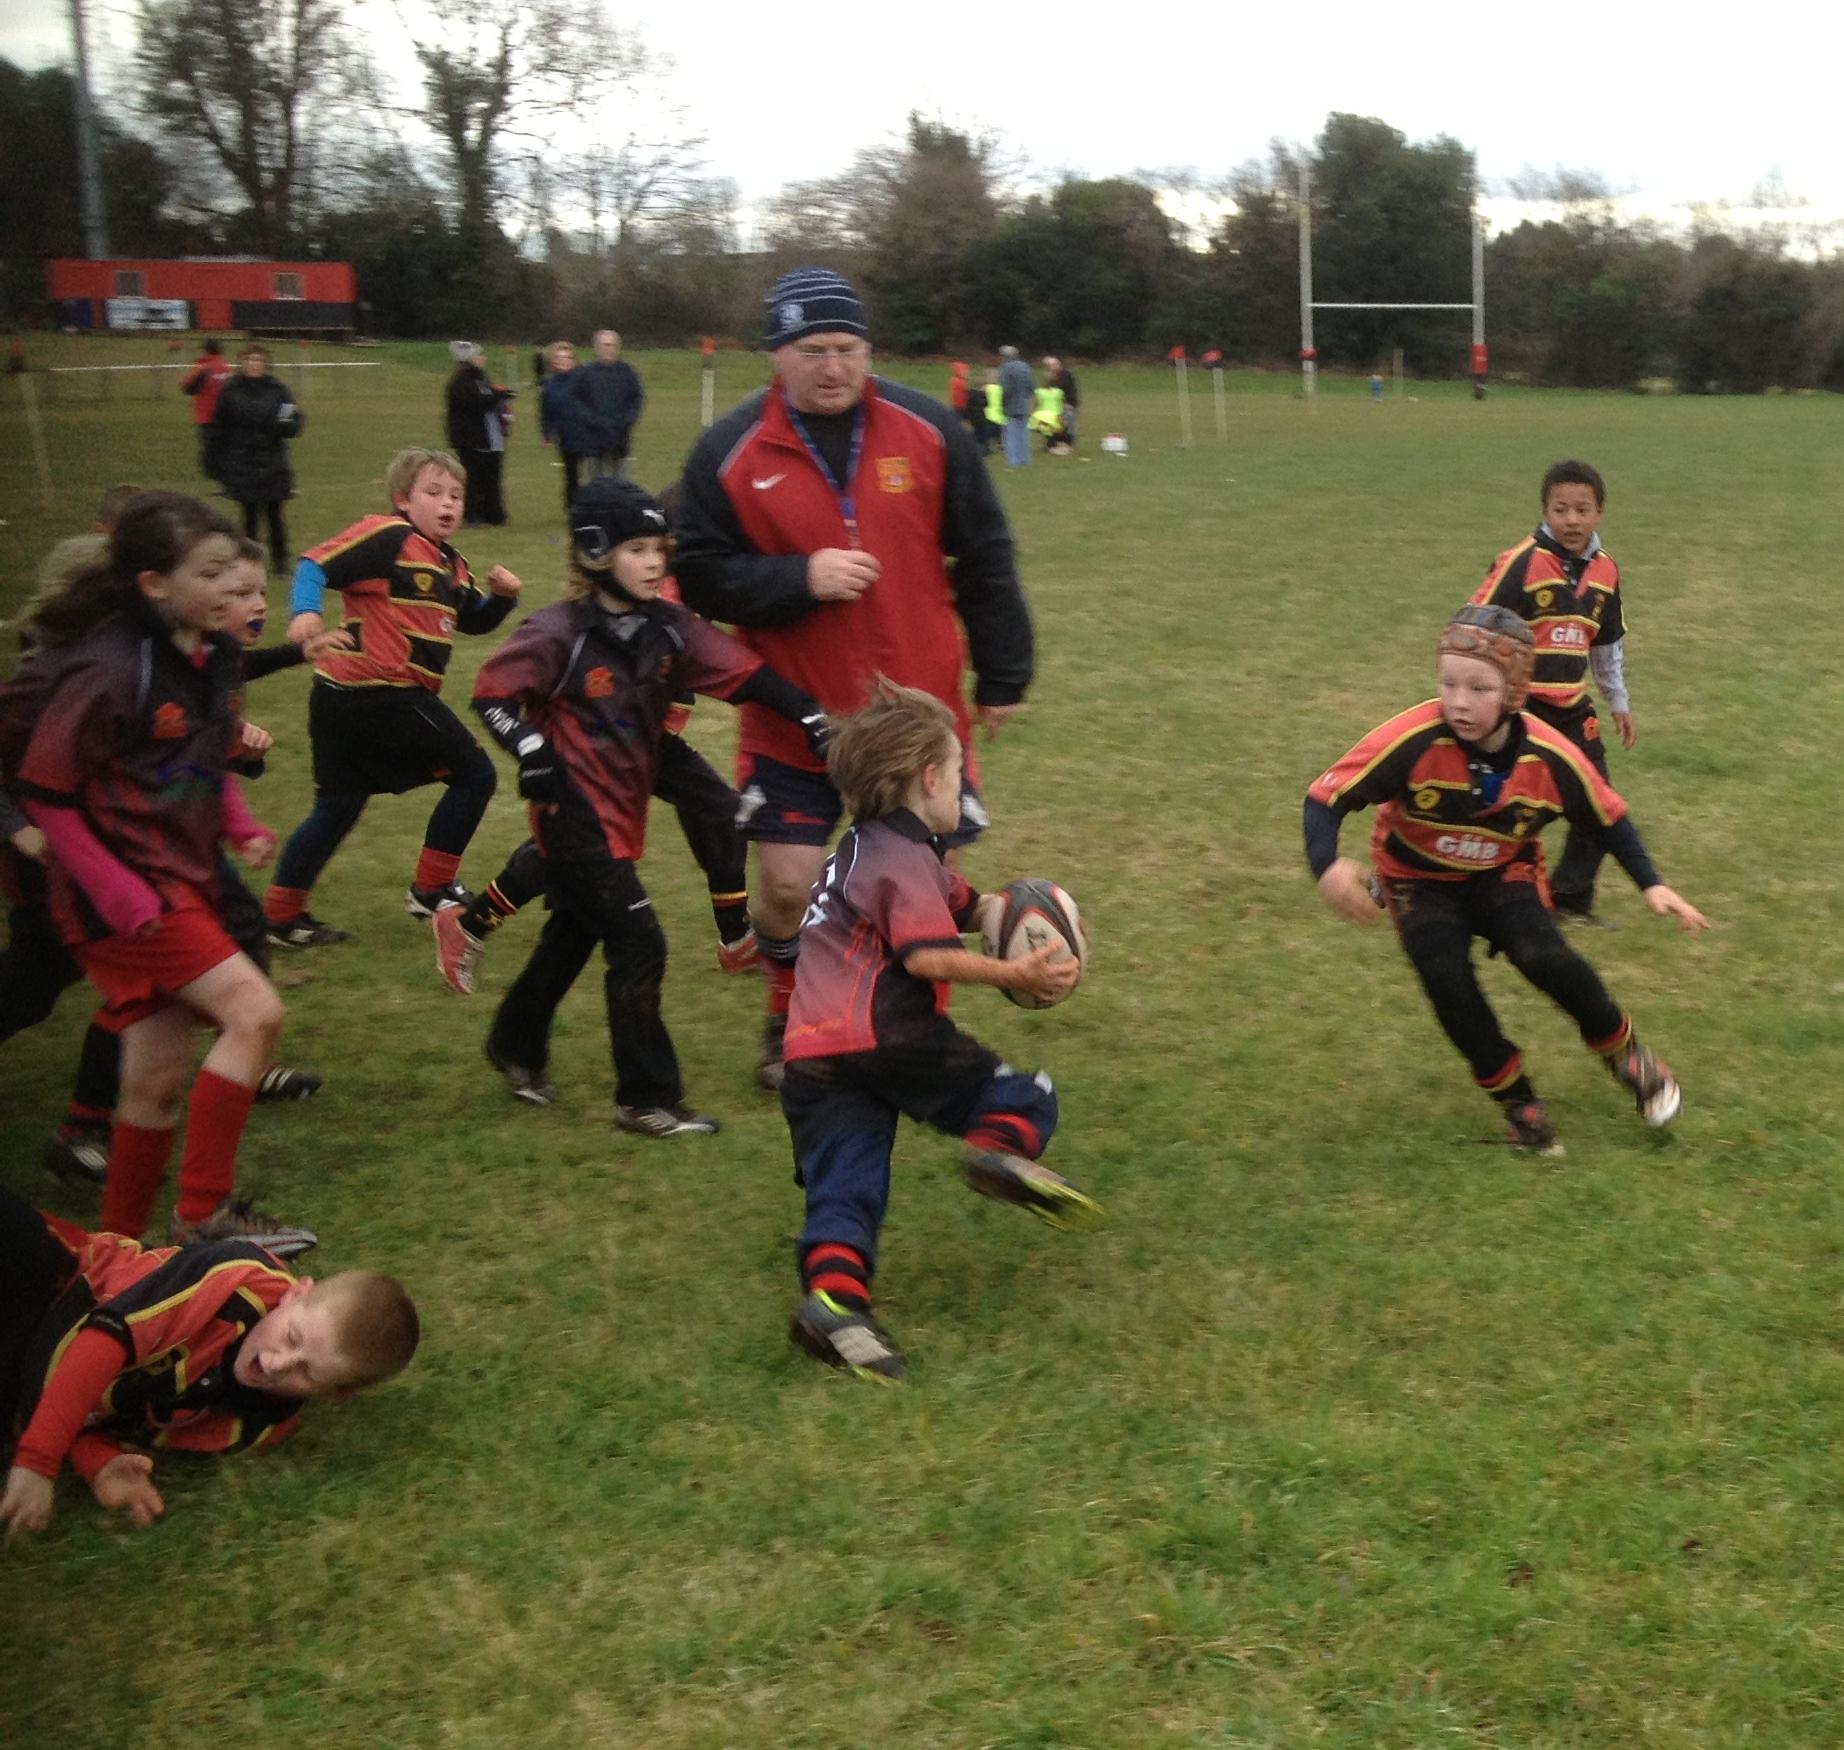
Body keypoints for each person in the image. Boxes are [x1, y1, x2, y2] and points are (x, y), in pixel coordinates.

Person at [672, 266, 1034, 1093]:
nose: (832, 367)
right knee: (788, 889)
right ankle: (787, 1004)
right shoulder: (726, 454)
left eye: (847, 348)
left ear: (868, 349)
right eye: (812, 350)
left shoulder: (928, 429)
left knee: (916, 889)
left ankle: (909, 1033)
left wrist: (1005, 670)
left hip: (916, 723)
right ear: (778, 354)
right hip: (796, 716)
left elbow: (986, 552)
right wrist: (798, 578)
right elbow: (694, 578)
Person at [457, 479, 829, 1133]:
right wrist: (532, 750)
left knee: (572, 934)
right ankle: (646, 1098)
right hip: (571, 815)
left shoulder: (670, 628)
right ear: (595, 552)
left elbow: (744, 675)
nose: (656, 561)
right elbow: (491, 695)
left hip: (621, 814)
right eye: (638, 548)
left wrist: (808, 712)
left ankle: (514, 1045)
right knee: (640, 943)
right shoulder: (557, 632)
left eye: (660, 547)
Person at [8, 492, 313, 1254]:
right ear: (154, 584)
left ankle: (114, 1254)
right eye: (212, 575)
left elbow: (204, 762)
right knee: (254, 1013)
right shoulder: (111, 667)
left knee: (153, 1078)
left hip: (174, 879)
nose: (233, 591)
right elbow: (46, 792)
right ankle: (202, 1216)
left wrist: (238, 826)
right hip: (119, 893)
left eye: (238, 576)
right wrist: (112, 887)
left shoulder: (210, 655)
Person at [780, 681, 1098, 1381]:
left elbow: (964, 903)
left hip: (811, 1053)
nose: (962, 787)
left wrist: (1008, 908)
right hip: (889, 1033)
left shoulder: (859, 853)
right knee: (1023, 1093)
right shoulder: (903, 860)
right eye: (958, 773)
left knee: (846, 1185)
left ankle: (834, 1306)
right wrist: (1015, 974)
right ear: (929, 779)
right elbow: (921, 954)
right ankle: (999, 1151)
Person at [1304, 605, 1707, 1155]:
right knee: (1445, 977)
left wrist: (1652, 884)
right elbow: (1325, 798)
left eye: (1479, 687)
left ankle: (1626, 1055)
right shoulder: (1414, 738)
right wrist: (1326, 866)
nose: (1459, 701)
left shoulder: (1551, 754)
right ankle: (1517, 1101)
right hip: (1415, 878)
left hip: (1503, 871)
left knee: (1545, 955)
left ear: (1516, 692)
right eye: (1448, 682)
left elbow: (1607, 816)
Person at [0, 1186, 417, 1537]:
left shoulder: (258, 1426)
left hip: (22, 1386)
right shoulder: (235, 1277)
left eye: (307, 1372)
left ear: (338, 1394)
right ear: (295, 1293)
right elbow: (102, 1339)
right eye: (292, 1336)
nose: (276, 1364)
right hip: (56, 1281)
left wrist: (99, 1462)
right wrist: (39, 1461)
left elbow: (116, 1414)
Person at [263, 449, 522, 948]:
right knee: (475, 774)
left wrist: (505, 598)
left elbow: (473, 621)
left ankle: (279, 916)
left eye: (456, 495)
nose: (448, 503)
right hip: (379, 691)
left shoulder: (452, 563)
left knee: (337, 806)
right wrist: (303, 612)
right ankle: (430, 891)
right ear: (403, 499)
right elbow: (315, 562)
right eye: (434, 492)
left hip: (347, 697)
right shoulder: (388, 536)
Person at [1468, 460, 1631, 925]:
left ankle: (1570, 899)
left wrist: (1617, 700)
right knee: (1509, 806)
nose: (1572, 520)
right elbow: (1474, 622)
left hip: (1573, 708)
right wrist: (1481, 693)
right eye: (1561, 509)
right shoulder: (1520, 562)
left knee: (1598, 801)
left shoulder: (1606, 572)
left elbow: (1607, 643)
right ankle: (1460, 876)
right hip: (1522, 708)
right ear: (1545, 511)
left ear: (1600, 513)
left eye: (1583, 509)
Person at [210, 344, 303, 575]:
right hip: (242, 460)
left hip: (272, 460)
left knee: (274, 514)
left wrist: (288, 425)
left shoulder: (278, 389)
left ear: (266, 364)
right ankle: (249, 561)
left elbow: (293, 417)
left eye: (259, 360)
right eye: (250, 360)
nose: (254, 364)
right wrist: (216, 459)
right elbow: (219, 426)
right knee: (249, 514)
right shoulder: (230, 389)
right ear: (242, 363)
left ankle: (280, 561)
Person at [443, 343, 513, 527]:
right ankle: (473, 515)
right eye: (479, 355)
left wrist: (500, 394)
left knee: (491, 476)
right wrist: (498, 396)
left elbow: (488, 395)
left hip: (490, 437)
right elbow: (474, 402)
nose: (483, 358)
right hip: (472, 438)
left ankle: (494, 514)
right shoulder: (461, 382)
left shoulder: (481, 378)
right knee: (474, 478)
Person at [570, 329, 644, 481]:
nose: (609, 349)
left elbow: (636, 399)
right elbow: (576, 400)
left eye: (613, 345)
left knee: (622, 484)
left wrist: (627, 421)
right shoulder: (585, 374)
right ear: (597, 347)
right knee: (596, 485)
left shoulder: (628, 373)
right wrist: (591, 420)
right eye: (605, 345)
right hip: (594, 439)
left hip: (620, 438)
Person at [538, 340, 601, 516]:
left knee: (593, 472)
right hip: (566, 435)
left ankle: (597, 505)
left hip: (588, 433)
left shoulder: (585, 377)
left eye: (567, 357)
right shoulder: (550, 384)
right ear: (554, 362)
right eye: (560, 358)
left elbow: (596, 403)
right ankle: (573, 508)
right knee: (571, 474)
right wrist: (546, 433)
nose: (564, 361)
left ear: (573, 359)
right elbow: (546, 411)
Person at [178, 338, 230, 478]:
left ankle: (212, 472)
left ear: (206, 350)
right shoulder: (224, 366)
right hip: (225, 414)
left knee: (208, 446)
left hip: (205, 414)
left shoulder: (203, 367)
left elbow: (186, 386)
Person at [996, 345, 1034, 468]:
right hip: (1024, 404)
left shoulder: (1005, 369)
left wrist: (1001, 402)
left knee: (1010, 434)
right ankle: (1024, 460)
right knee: (1023, 434)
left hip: (1010, 406)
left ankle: (1014, 461)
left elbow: (1005, 389)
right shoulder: (1025, 367)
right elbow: (1031, 386)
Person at [1042, 355, 1079, 446]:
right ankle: (1052, 441)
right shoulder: (1049, 377)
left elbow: (1071, 392)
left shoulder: (1067, 375)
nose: (1053, 367)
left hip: (1068, 404)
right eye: (1049, 366)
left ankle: (1066, 441)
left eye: (1055, 364)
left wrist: (1068, 403)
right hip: (1053, 406)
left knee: (1068, 418)